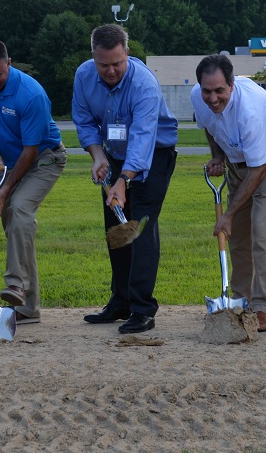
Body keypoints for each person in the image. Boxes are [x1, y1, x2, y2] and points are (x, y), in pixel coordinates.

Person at [72, 24, 178, 334]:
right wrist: (98, 157)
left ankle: (143, 308)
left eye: (117, 63)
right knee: (116, 225)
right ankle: (120, 301)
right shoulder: (83, 75)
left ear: (127, 54)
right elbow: (84, 120)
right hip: (115, 154)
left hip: (154, 155)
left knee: (139, 225)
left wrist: (124, 180)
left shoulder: (144, 83)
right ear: (93, 57)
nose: (110, 70)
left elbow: (144, 137)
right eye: (103, 64)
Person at [0, 39, 66, 325]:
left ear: (9, 63)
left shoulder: (31, 94)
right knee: (18, 230)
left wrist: (6, 188)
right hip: (11, 160)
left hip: (45, 158)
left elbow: (30, 150)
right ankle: (28, 309)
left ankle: (16, 285)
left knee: (19, 210)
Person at [191, 54, 266, 332]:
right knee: (237, 232)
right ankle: (240, 300)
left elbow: (258, 170)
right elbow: (210, 126)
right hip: (238, 163)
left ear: (232, 85)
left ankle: (264, 307)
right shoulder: (198, 97)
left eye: (219, 91)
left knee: (261, 227)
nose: (212, 98)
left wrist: (227, 214)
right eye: (207, 91)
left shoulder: (250, 112)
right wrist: (217, 156)